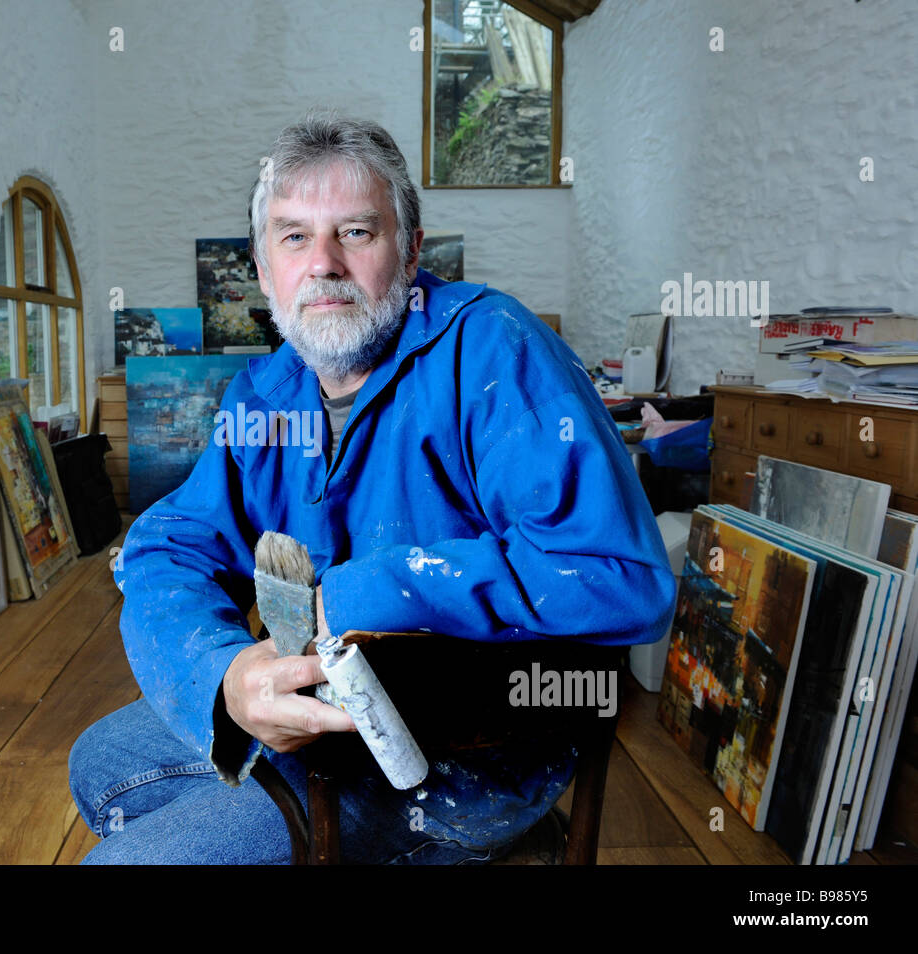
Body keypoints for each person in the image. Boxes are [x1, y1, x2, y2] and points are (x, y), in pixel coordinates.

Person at [68, 111, 676, 864]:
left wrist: (383, 591)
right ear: (264, 270)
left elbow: (624, 580)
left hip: (473, 753)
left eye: (356, 232)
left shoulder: (495, 349)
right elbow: (168, 546)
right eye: (293, 237)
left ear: (411, 249)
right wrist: (225, 675)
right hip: (334, 718)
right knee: (99, 764)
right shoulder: (265, 394)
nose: (323, 263)